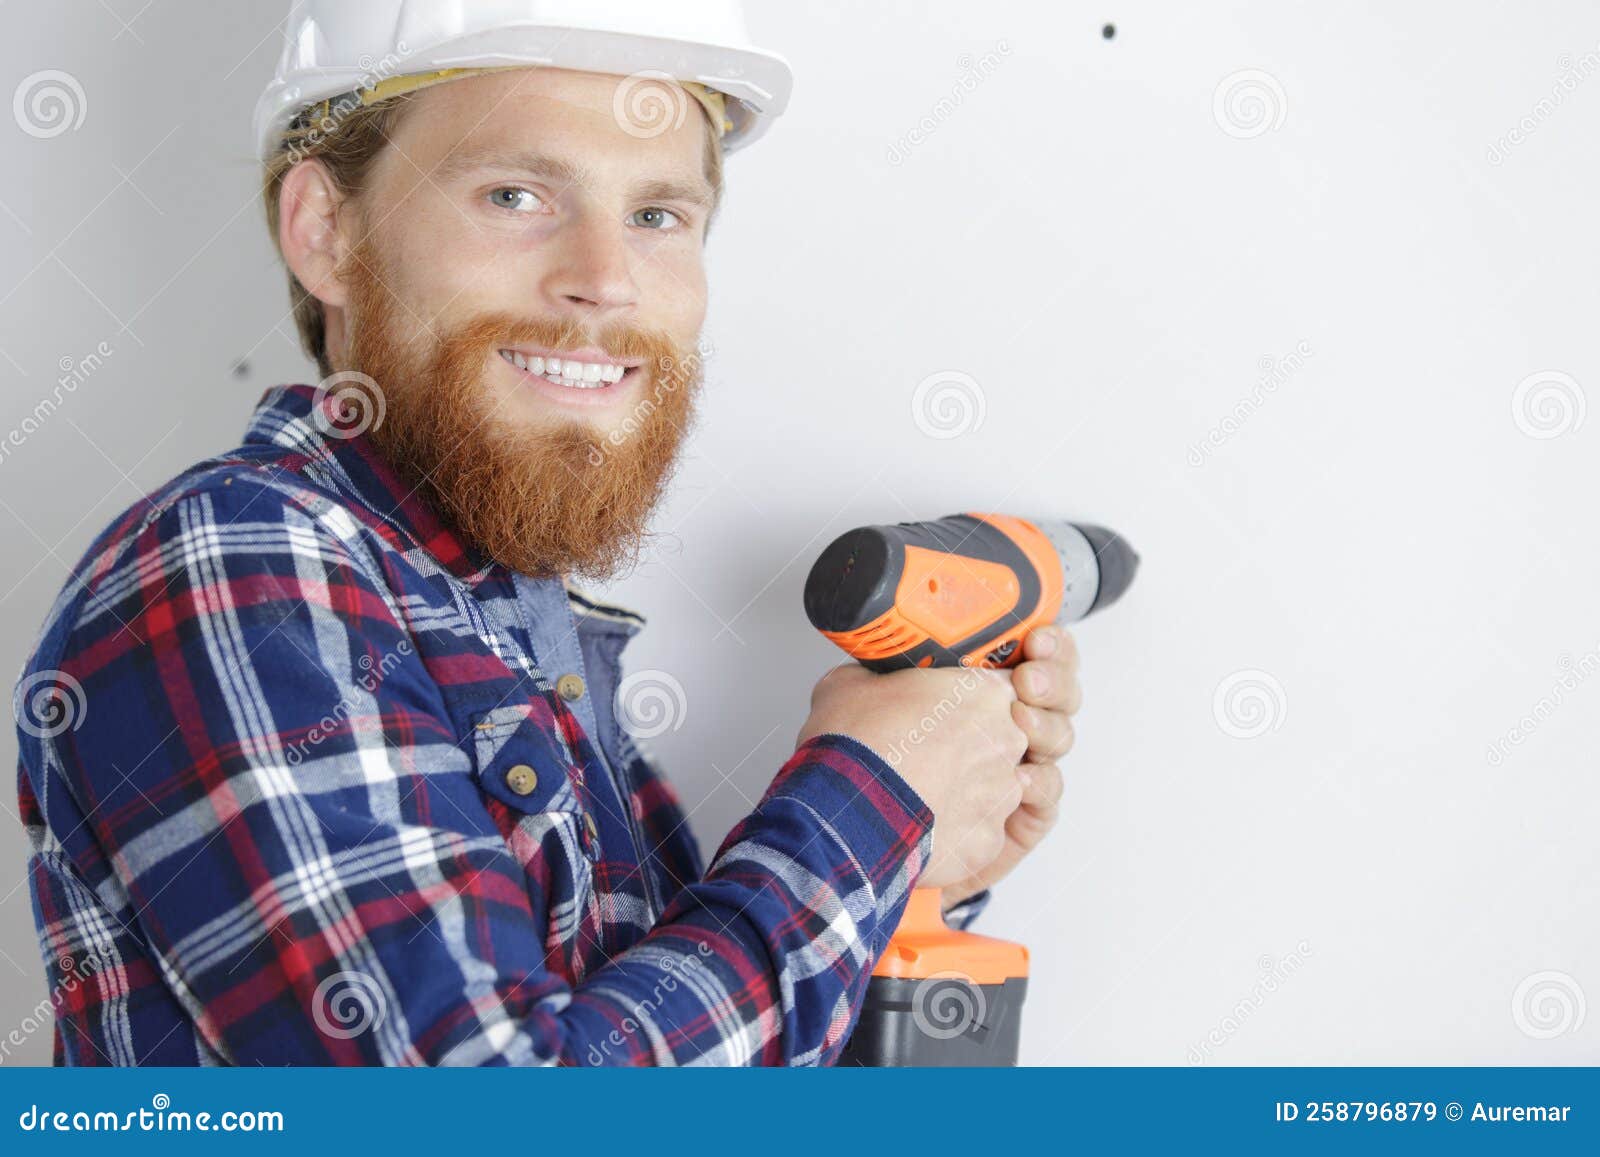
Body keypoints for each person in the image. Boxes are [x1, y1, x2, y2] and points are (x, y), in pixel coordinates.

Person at [13, 2, 1081, 1066]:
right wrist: (867, 797)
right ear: (325, 232)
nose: (605, 279)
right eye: (515, 194)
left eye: (660, 214)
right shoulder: (237, 560)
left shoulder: (520, 638)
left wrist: (908, 869)